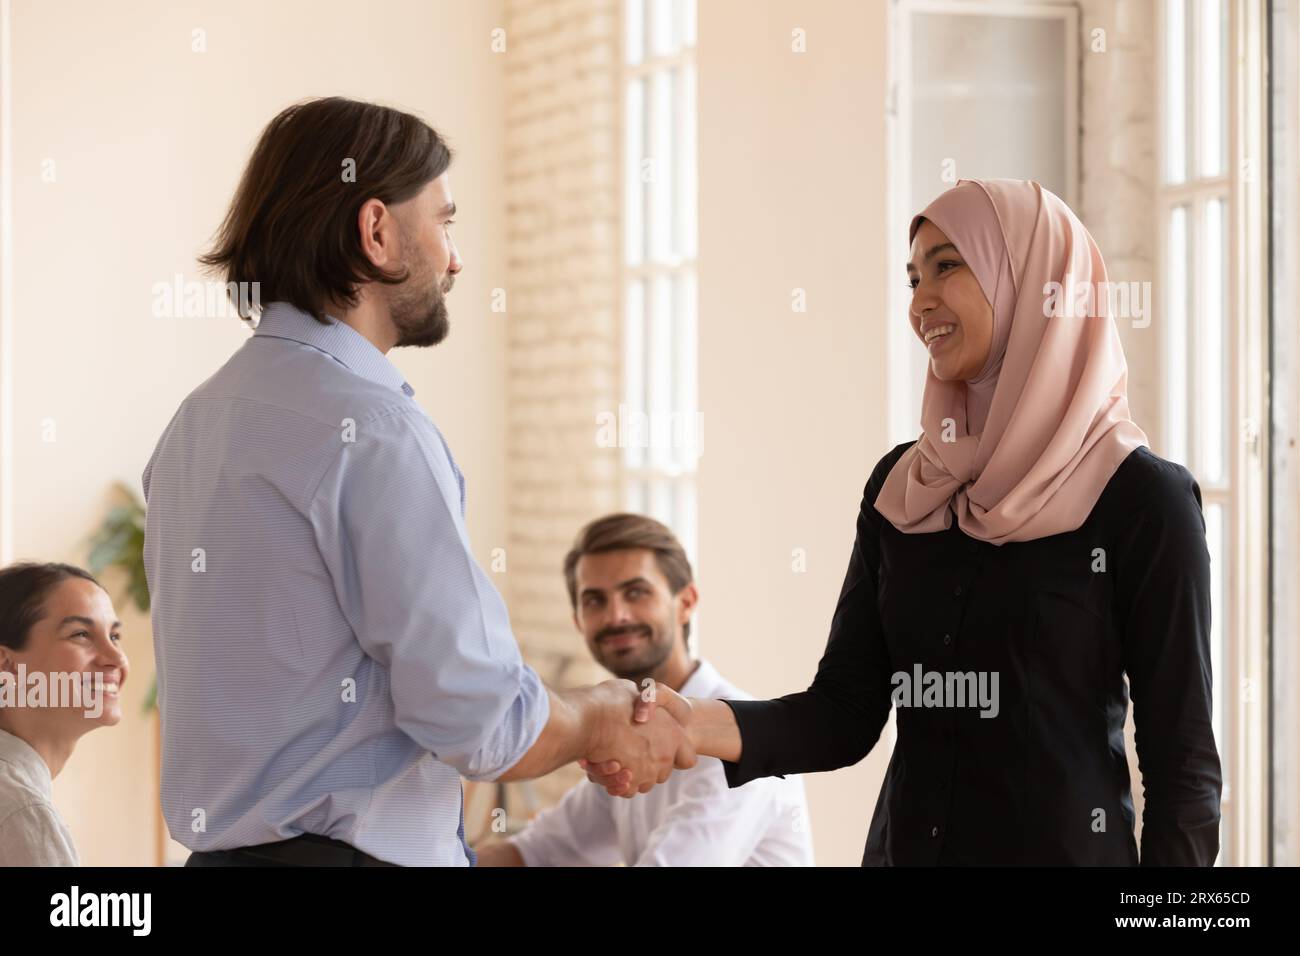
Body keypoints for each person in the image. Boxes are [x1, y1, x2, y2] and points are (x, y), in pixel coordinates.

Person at [586, 179, 1223, 866]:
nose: (920, 302)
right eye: (913, 276)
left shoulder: (1141, 501)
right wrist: (695, 727)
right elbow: (844, 712)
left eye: (948, 266)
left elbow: (1183, 770)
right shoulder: (904, 487)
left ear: (1033, 282)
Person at [142, 97, 692, 868]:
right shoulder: (372, 430)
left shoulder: (192, 426)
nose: (457, 260)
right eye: (445, 223)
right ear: (376, 233)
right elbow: (480, 719)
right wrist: (602, 713)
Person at [475, 514, 813, 866]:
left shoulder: (742, 739)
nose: (616, 616)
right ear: (577, 620)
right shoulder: (628, 730)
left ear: (685, 603)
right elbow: (536, 853)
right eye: (595, 600)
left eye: (636, 592)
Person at [0, 563, 129, 866]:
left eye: (115, 636)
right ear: (5, 665)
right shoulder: (20, 809)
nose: (116, 658)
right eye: (81, 634)